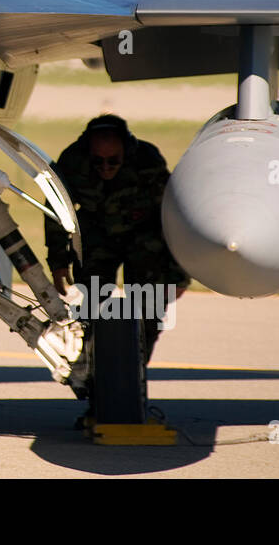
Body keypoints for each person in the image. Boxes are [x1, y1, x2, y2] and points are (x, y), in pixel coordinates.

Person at [44, 115, 189, 401]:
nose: (106, 168)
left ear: (126, 151)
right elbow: (56, 210)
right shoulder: (72, 161)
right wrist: (59, 262)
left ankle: (129, 378)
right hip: (97, 233)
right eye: (98, 162)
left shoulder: (147, 160)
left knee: (149, 308)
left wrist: (177, 273)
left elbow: (172, 215)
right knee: (92, 307)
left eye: (113, 161)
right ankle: (90, 379)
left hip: (143, 235)